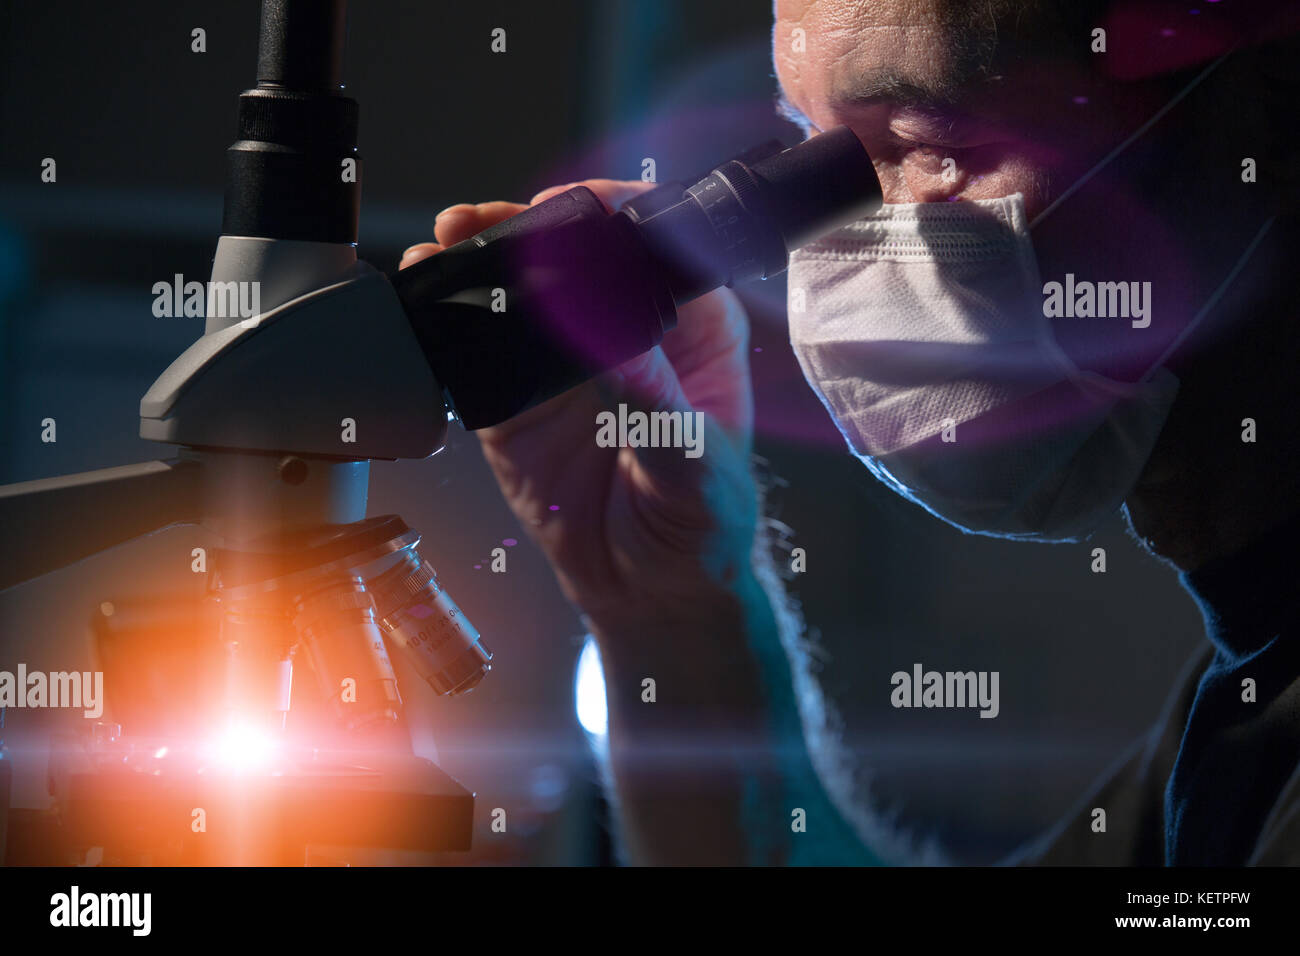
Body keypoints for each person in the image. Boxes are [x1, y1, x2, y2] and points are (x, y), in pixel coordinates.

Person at [399, 0, 1299, 865]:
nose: (846, 241)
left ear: (1265, 104)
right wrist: (675, 606)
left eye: (934, 144)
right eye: (814, 153)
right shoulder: (1249, 693)